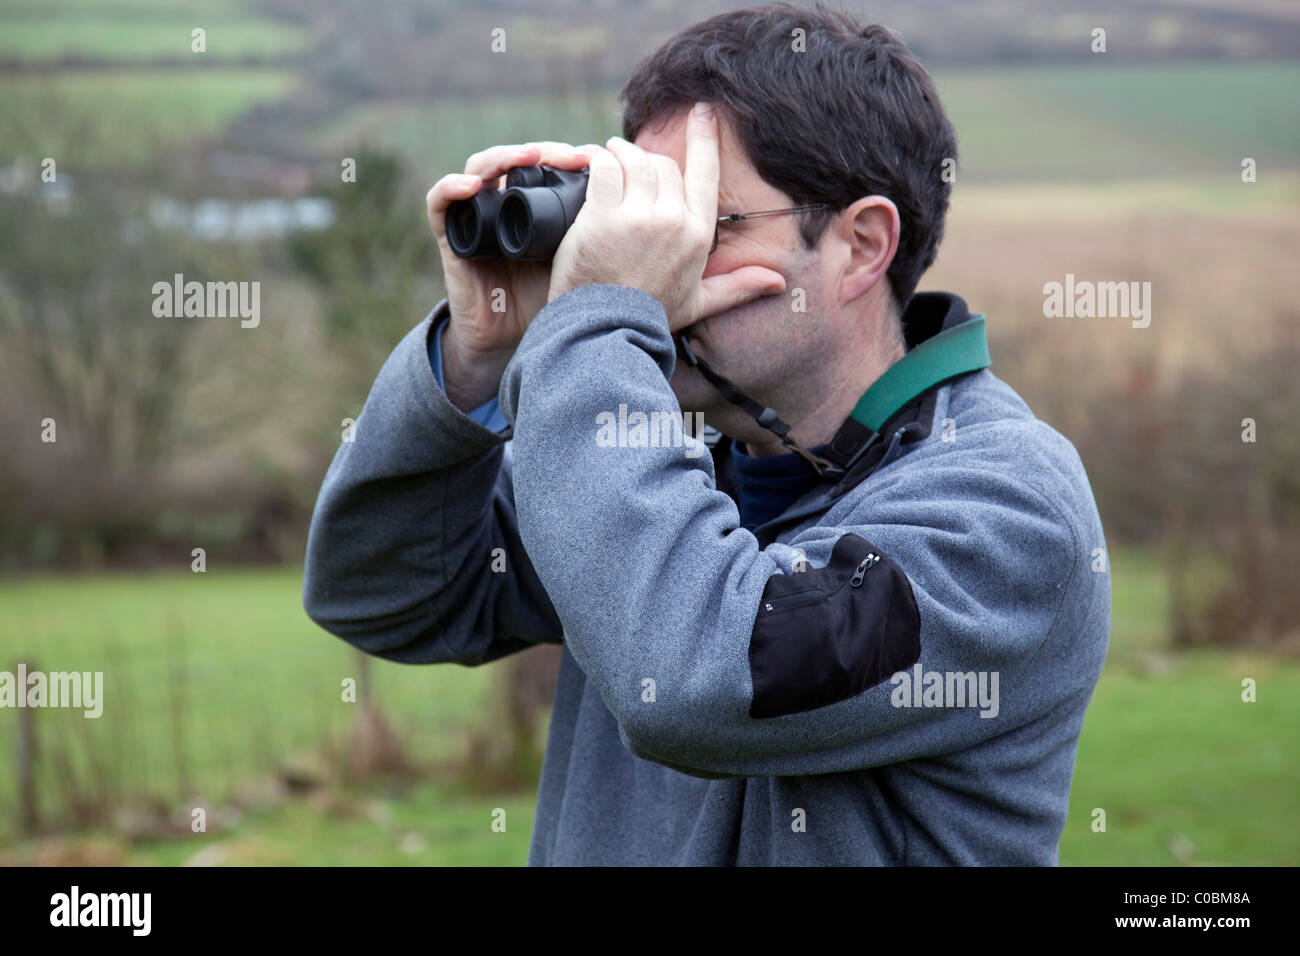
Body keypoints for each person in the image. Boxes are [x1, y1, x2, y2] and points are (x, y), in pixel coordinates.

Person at [303, 3, 1110, 865]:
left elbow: (699, 676)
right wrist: (478, 359)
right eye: (652, 223)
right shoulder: (668, 460)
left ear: (861, 245)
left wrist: (594, 325)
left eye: (707, 224)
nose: (665, 262)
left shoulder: (1008, 509)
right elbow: (382, 594)